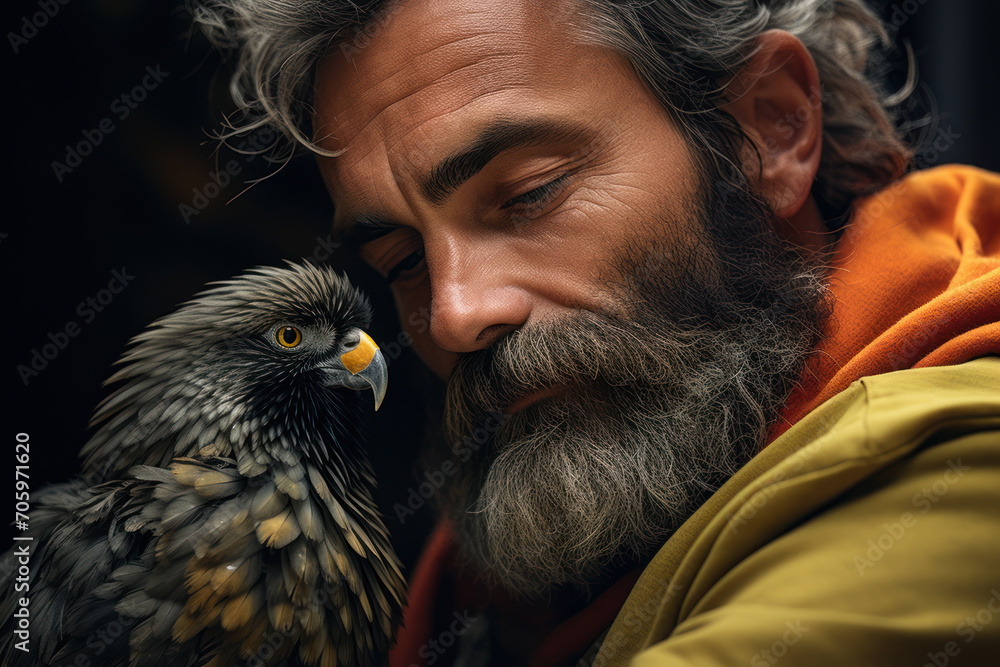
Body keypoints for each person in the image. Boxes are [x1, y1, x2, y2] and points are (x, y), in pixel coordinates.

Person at [191, 0, 1000, 664]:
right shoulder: (501, 582)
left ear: (770, 128)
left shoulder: (963, 457)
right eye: (403, 259)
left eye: (529, 194)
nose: (456, 314)